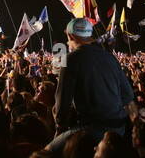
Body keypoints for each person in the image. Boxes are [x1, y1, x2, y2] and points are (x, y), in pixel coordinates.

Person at [53, 17, 135, 145]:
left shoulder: (70, 60)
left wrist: (60, 128)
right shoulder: (110, 58)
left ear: (70, 36)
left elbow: (62, 103)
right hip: (119, 127)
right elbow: (128, 95)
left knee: (45, 154)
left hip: (91, 129)